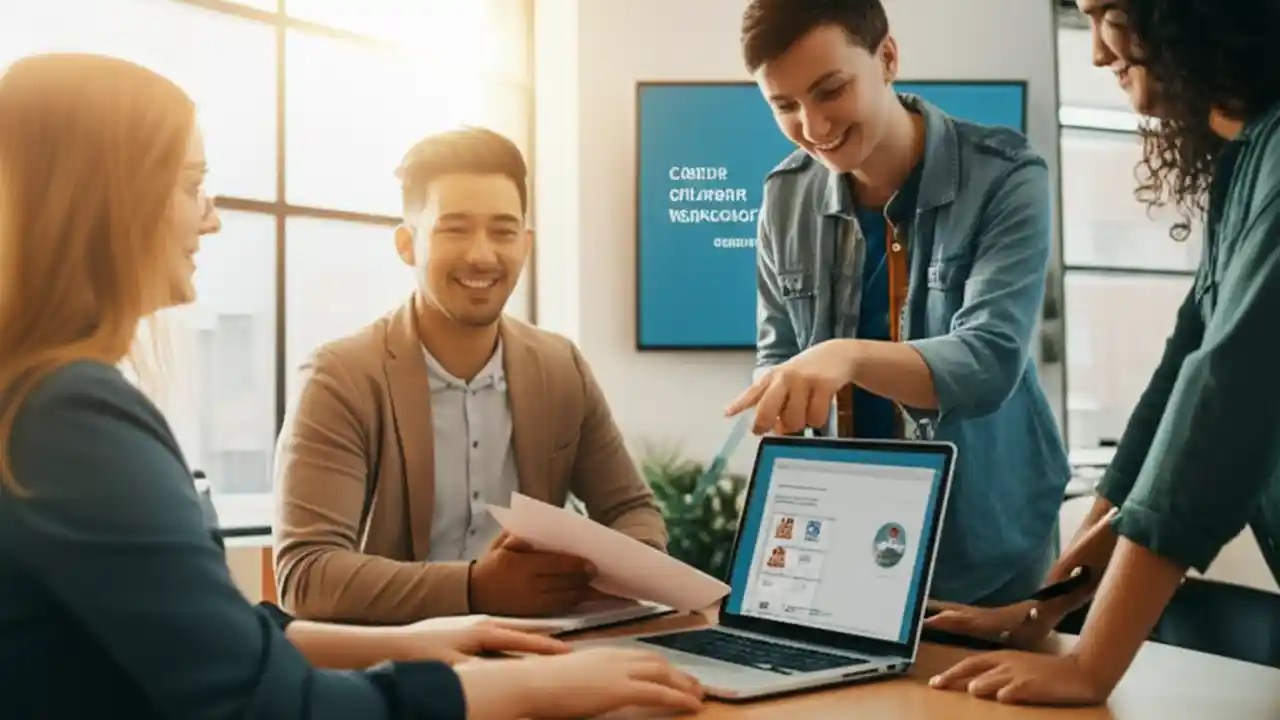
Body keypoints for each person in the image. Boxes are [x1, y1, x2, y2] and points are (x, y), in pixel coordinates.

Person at [0, 52, 703, 719]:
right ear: (103, 200)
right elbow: (267, 695)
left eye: (504, 230)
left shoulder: (48, 405)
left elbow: (213, 632)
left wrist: (420, 642)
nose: (211, 216)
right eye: (190, 186)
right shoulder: (70, 418)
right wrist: (517, 679)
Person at [925, 0, 1280, 705]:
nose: (1096, 53)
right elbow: (1175, 393)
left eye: (1108, 13)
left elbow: (1223, 403)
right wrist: (1045, 609)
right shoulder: (1248, 161)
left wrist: (1090, 664)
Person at [726, 0, 1070, 607]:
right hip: (845, 540)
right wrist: (777, 390)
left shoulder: (1007, 175)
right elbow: (777, 348)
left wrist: (845, 357)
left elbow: (990, 362)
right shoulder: (783, 196)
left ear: (887, 58)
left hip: (989, 545)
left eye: (830, 90)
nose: (812, 125)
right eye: (784, 105)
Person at [273, 127, 667, 624]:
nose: (482, 255)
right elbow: (307, 576)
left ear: (525, 245)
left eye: (503, 231)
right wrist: (476, 588)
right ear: (407, 244)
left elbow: (632, 510)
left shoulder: (559, 366)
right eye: (454, 229)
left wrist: (614, 571)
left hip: (544, 653)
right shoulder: (341, 377)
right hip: (398, 669)